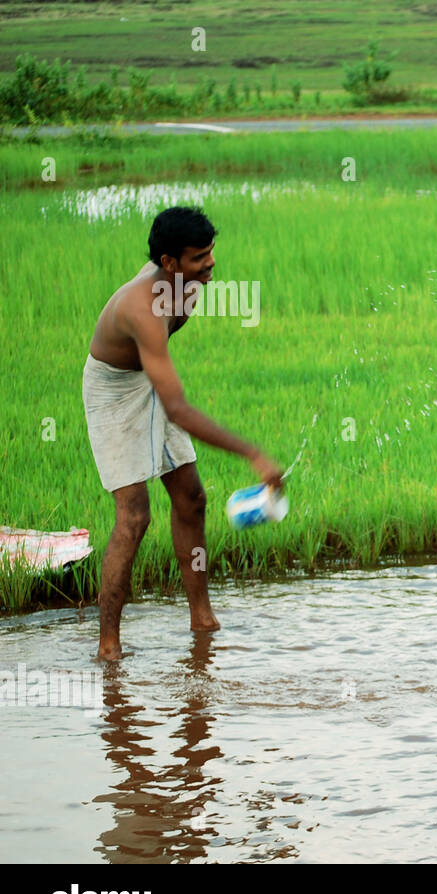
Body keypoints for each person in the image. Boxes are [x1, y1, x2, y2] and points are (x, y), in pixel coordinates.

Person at [83, 206, 282, 661]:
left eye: (211, 252)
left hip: (149, 377)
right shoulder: (142, 306)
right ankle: (108, 646)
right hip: (114, 391)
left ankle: (202, 618)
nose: (211, 263)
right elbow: (177, 406)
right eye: (199, 257)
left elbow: (166, 392)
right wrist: (252, 452)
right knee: (134, 518)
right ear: (169, 262)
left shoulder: (186, 282)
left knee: (191, 498)